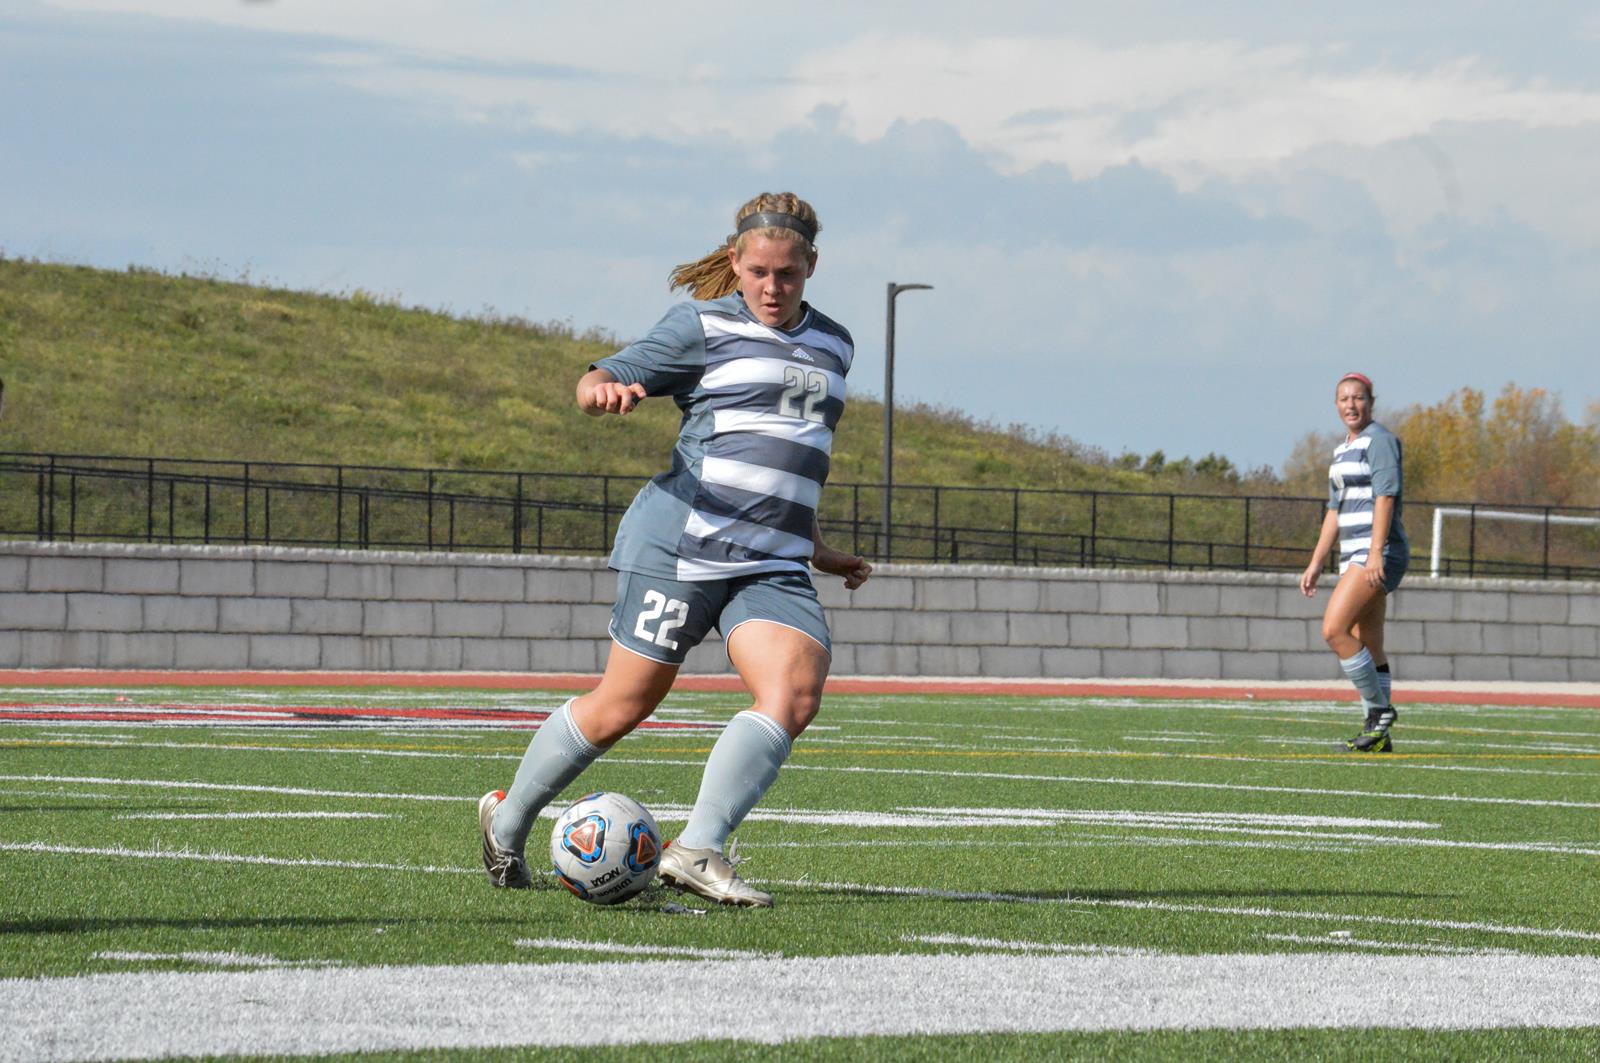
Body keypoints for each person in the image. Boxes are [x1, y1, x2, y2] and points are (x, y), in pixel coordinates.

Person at [478, 192, 871, 907]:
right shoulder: (700, 325)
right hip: (681, 547)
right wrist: (600, 394)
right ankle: (506, 822)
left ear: (812, 265)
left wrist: (821, 549)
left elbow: (790, 457)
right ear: (734, 261)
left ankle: (698, 848)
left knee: (796, 688)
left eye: (787, 274)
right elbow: (599, 374)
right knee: (621, 706)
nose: (772, 288)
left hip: (772, 561)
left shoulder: (836, 344)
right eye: (758, 272)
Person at [1299, 371, 1410, 752]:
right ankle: (1378, 737)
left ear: (1371, 402)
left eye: (1359, 398)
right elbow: (1335, 509)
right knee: (1370, 643)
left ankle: (1379, 712)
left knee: (1334, 630)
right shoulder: (1342, 449)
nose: (1351, 404)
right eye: (1344, 398)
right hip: (1353, 554)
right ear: (1336, 405)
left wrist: (1376, 551)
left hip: (1376, 552)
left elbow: (1386, 497)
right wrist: (1317, 562)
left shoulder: (1379, 441)